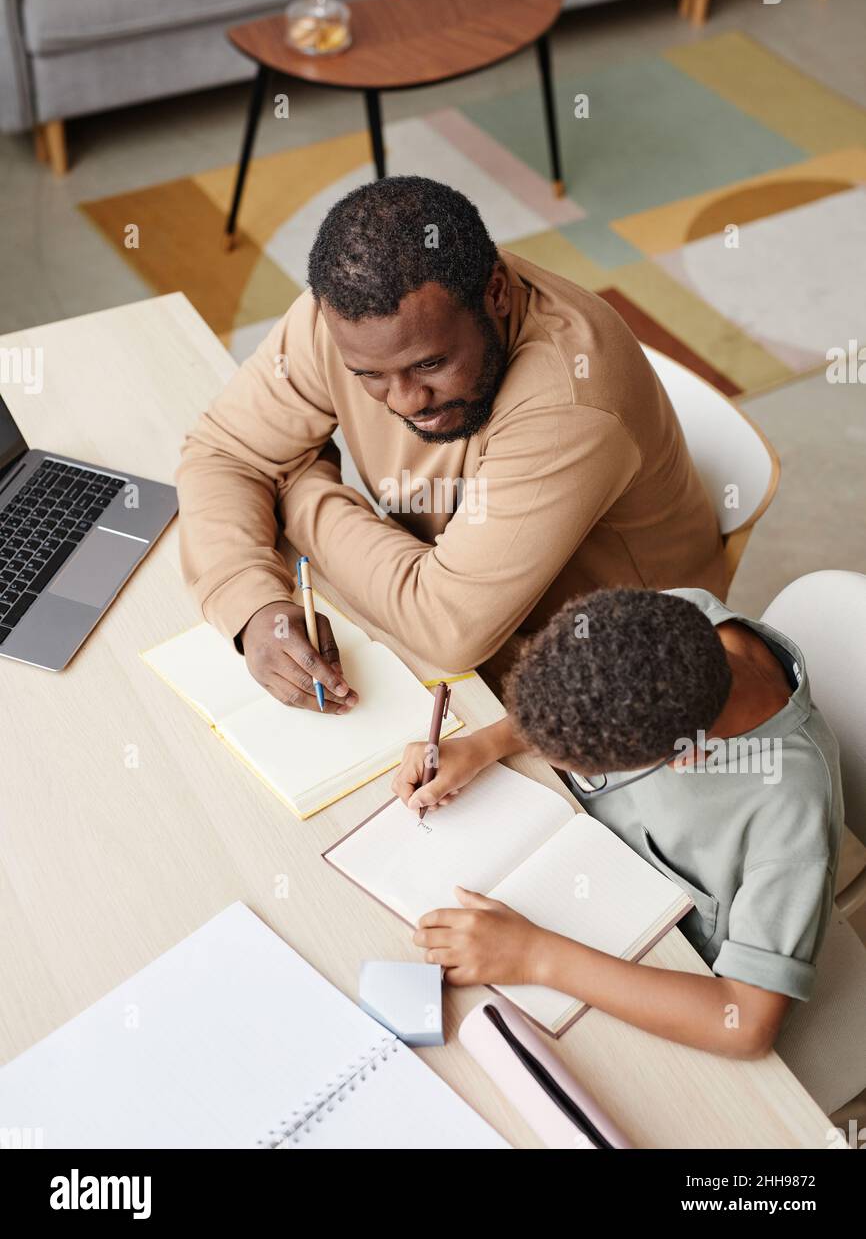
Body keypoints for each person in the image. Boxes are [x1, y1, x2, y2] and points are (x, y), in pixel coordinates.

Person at [176, 176, 726, 714]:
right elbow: (223, 453)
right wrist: (254, 603)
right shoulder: (350, 313)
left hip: (615, 679)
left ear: (496, 294)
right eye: (369, 374)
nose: (406, 400)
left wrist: (302, 491)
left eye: (431, 364)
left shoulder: (569, 407)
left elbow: (447, 628)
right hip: (446, 606)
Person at [393, 587, 843, 1059]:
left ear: (685, 759)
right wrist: (487, 743)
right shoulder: (674, 619)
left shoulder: (791, 811)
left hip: (659, 967)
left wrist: (534, 957)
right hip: (587, 874)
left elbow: (745, 1024)